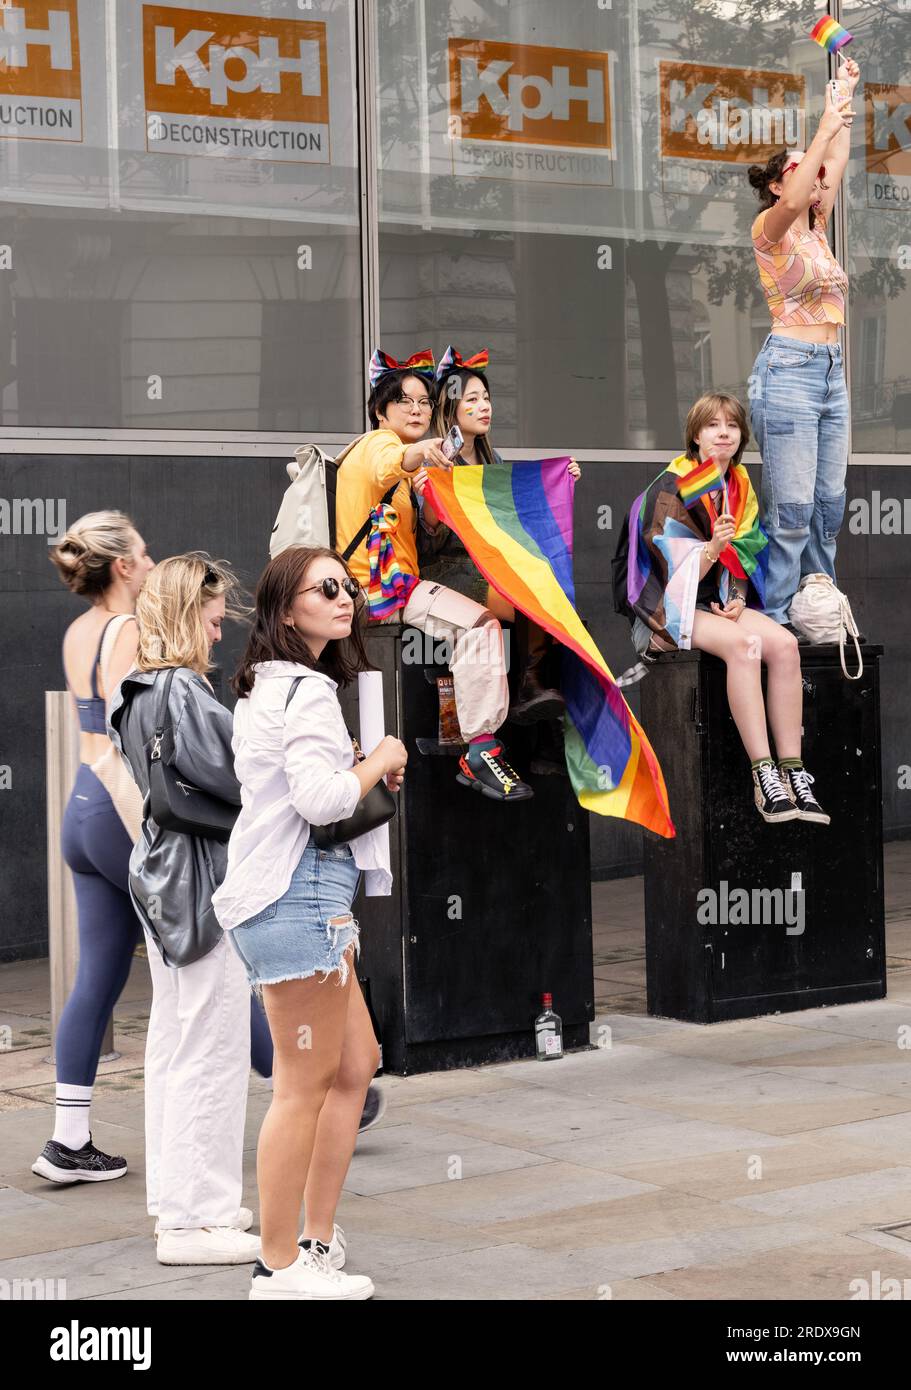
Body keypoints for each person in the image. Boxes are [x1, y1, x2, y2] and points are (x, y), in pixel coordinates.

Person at [211, 545, 406, 1300]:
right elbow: (321, 802)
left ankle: (316, 1239)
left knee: (354, 1065)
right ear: (285, 608)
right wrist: (378, 758)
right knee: (301, 1086)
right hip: (297, 902)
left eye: (347, 585)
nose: (343, 595)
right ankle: (279, 1264)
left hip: (310, 901)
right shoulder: (304, 691)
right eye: (323, 588)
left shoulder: (278, 687)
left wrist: (354, 766)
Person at [107, 553, 262, 1265]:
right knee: (213, 1049)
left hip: (164, 877)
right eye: (211, 616)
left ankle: (181, 1204)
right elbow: (242, 780)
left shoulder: (139, 691)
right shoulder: (184, 693)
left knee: (176, 1046)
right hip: (203, 882)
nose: (220, 630)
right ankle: (194, 1221)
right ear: (183, 613)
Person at [334, 347, 532, 802]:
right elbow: (393, 461)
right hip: (379, 595)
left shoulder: (405, 461)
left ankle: (484, 743)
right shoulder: (378, 446)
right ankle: (481, 748)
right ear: (380, 411)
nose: (417, 409)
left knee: (485, 623)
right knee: (482, 625)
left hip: (396, 589)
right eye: (405, 401)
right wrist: (432, 450)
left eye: (424, 401)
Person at [623, 392, 830, 826]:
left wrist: (736, 597)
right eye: (713, 425)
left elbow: (747, 551)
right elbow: (666, 575)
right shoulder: (671, 485)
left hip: (712, 600)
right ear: (695, 435)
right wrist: (712, 550)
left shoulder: (739, 485)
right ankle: (763, 775)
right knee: (746, 646)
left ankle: (793, 771)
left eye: (732, 426)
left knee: (786, 645)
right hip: (665, 611)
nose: (723, 433)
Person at [33, 512, 154, 1184]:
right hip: (117, 810)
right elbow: (127, 738)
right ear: (126, 567)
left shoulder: (79, 630)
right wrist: (154, 838)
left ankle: (67, 1141)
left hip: (79, 811)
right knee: (207, 956)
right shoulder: (126, 630)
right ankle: (310, 1087)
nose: (152, 556)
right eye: (144, 549)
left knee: (100, 977)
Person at [747, 58, 858, 630]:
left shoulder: (816, 229)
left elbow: (833, 161)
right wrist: (820, 127)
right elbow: (799, 190)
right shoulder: (770, 228)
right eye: (799, 171)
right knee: (790, 510)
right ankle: (777, 620)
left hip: (830, 369)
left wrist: (842, 96)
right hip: (789, 369)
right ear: (775, 184)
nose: (814, 179)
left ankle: (819, 614)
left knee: (827, 507)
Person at [422, 345, 581, 724]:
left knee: (552, 594)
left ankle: (541, 702)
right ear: (451, 411)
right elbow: (429, 541)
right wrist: (432, 497)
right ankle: (530, 687)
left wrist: (560, 481)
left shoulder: (496, 464)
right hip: (451, 573)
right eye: (472, 399)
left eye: (487, 398)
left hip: (494, 568)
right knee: (534, 597)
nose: (484, 406)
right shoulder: (435, 461)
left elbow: (519, 518)